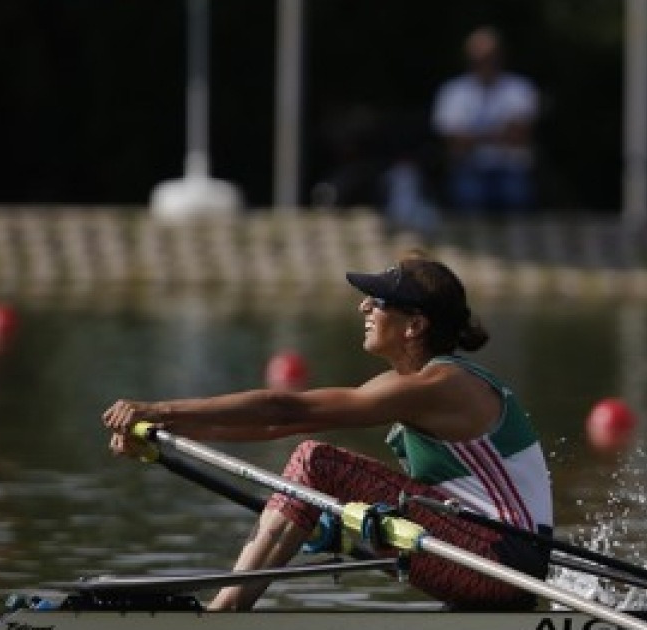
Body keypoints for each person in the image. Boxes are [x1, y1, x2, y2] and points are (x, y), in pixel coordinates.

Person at [102, 254, 554, 611]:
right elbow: (285, 423)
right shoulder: (412, 386)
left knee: (318, 461)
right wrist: (164, 430)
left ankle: (227, 610)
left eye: (377, 302)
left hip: (500, 562)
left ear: (415, 325)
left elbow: (286, 405)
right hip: (478, 554)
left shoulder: (443, 386)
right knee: (314, 466)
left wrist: (157, 408)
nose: (364, 306)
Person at [433, 26, 539, 214]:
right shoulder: (453, 91)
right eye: (478, 57)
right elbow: (452, 138)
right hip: (468, 168)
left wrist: (472, 137)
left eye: (489, 56)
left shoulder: (520, 88)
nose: (484, 62)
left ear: (500, 55)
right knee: (468, 196)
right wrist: (500, 134)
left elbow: (518, 134)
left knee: (516, 195)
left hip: (511, 168)